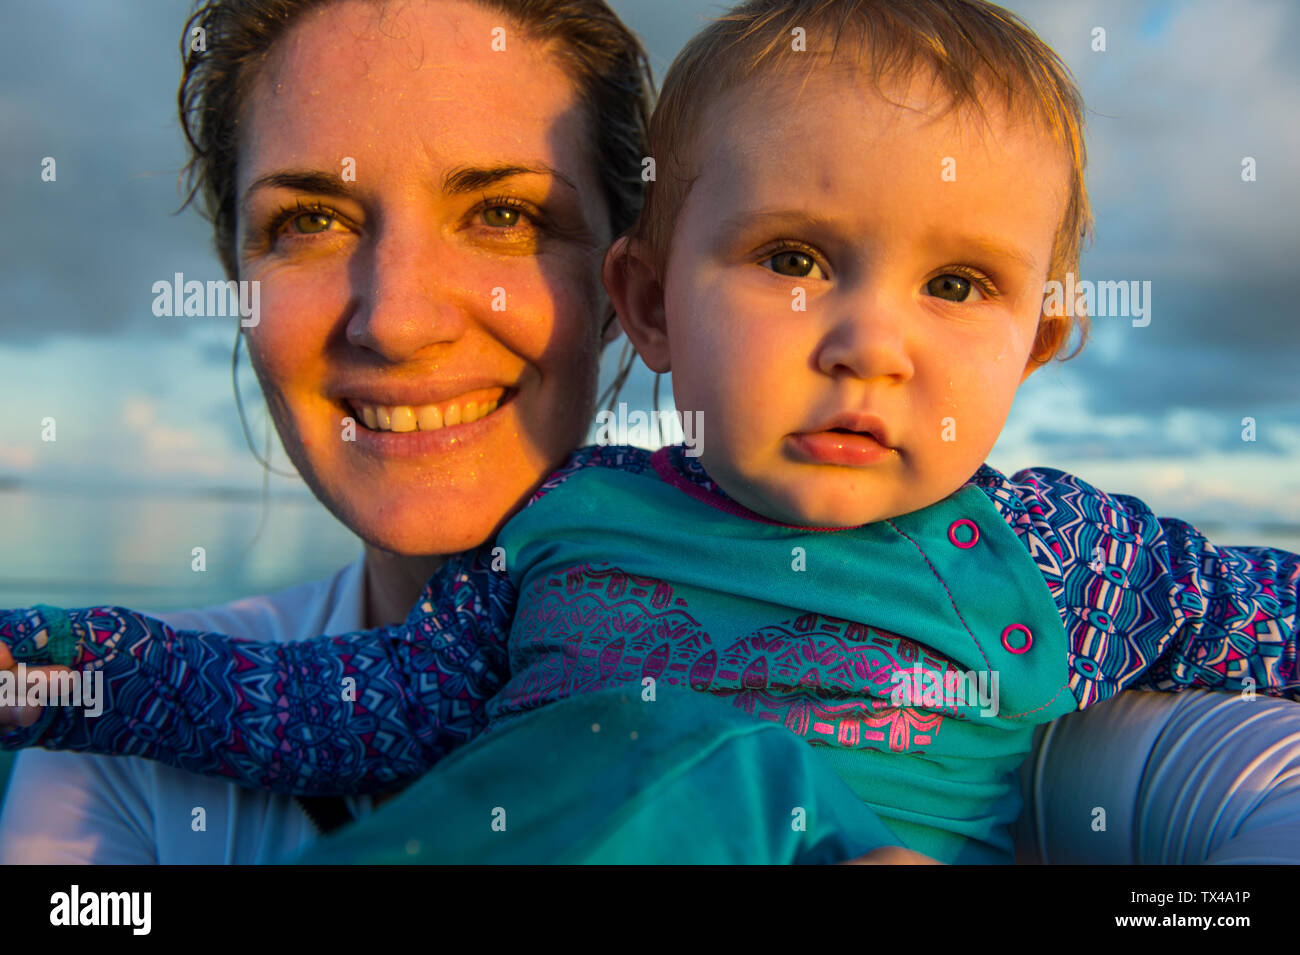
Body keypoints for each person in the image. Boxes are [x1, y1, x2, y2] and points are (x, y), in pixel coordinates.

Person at [5, 0, 1299, 865]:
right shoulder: (568, 540)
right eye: (792, 256)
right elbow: (345, 704)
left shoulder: (1077, 564)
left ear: (1040, 343)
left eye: (957, 284)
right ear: (654, 299)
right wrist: (60, 667)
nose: (870, 340)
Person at [0, 0, 653, 863]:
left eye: (504, 213)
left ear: (629, 285)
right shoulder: (120, 765)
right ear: (238, 281)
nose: (397, 320)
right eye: (309, 221)